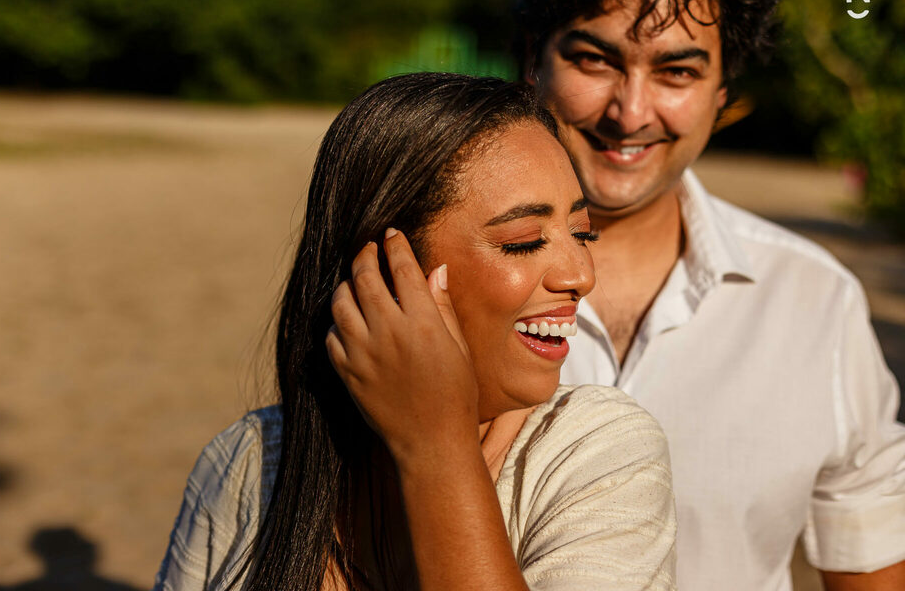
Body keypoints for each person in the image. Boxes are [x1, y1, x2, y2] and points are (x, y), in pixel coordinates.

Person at [153, 73, 677, 591]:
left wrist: (436, 445)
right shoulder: (248, 465)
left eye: (583, 232)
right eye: (523, 241)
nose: (581, 275)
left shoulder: (599, 455)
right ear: (381, 269)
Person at [514, 0, 905, 590]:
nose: (631, 112)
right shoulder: (435, 278)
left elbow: (870, 560)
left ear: (722, 92)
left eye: (675, 70)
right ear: (534, 59)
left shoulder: (813, 301)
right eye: (595, 59)